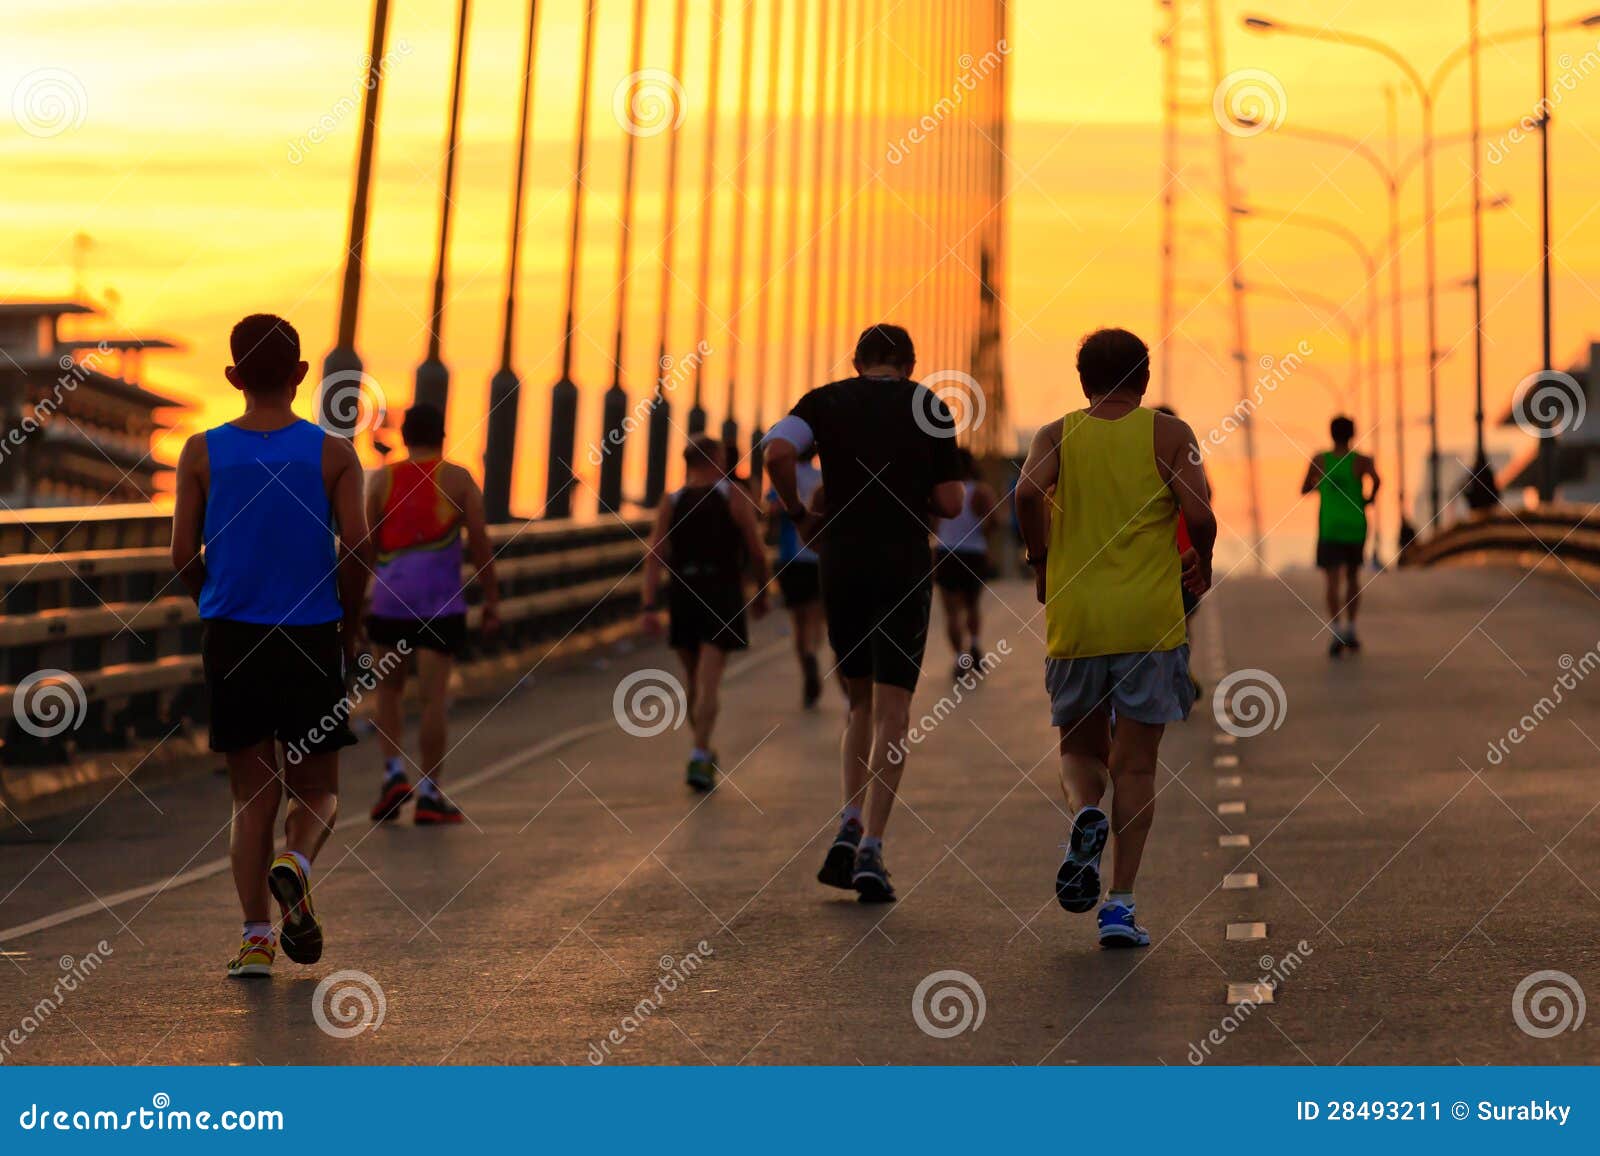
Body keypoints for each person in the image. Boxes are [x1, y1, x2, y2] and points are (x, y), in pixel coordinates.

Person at [170, 313, 372, 979]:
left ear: (232, 377)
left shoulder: (200, 452)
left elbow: (180, 555)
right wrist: (349, 622)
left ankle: (257, 937)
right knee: (317, 791)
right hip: (310, 635)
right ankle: (299, 860)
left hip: (233, 637)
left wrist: (215, 599)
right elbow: (359, 546)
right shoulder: (333, 453)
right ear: (301, 375)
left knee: (250, 797)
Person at [1014, 328, 1215, 948]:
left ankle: (1084, 814)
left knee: (1079, 751)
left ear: (1084, 381)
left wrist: (1040, 558)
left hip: (1077, 621)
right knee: (1136, 767)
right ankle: (1120, 905)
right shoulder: (1170, 435)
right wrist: (1200, 562)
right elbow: (1201, 513)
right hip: (1150, 624)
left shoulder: (1056, 436)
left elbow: (1024, 492)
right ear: (1144, 378)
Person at [764, 324, 964, 903]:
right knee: (894, 710)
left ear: (856, 361)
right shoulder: (928, 404)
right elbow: (951, 502)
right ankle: (873, 844)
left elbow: (776, 452)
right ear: (909, 361)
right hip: (902, 561)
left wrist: (798, 510)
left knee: (858, 700)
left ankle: (849, 817)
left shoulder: (823, 401)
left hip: (841, 561)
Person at [365, 403, 500, 826]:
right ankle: (429, 793)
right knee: (431, 699)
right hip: (439, 607)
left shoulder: (381, 480)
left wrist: (354, 610)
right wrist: (492, 598)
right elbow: (479, 542)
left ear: (405, 438)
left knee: (387, 692)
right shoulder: (458, 479)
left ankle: (392, 775)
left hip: (387, 602)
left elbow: (365, 549)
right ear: (443, 436)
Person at [641, 435, 770, 791]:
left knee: (693, 681)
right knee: (710, 680)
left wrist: (649, 605)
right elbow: (756, 550)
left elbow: (654, 554)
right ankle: (699, 754)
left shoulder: (673, 500)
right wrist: (762, 591)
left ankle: (701, 749)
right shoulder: (734, 497)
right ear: (716, 460)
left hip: (682, 592)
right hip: (721, 592)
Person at [1301, 415, 1380, 656]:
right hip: (1356, 525)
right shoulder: (1362, 461)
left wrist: (1325, 486)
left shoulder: (1320, 460)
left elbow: (1304, 488)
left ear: (1331, 433)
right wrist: (1368, 499)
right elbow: (1378, 480)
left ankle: (1336, 630)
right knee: (1354, 577)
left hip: (1330, 528)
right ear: (1353, 434)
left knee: (1332, 581)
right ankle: (1352, 629)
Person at [765, 448, 825, 706]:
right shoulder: (823, 479)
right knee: (816, 616)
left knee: (797, 621)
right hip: (819, 556)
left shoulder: (783, 478)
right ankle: (813, 651)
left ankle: (807, 662)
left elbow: (772, 512)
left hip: (790, 556)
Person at [932, 448, 998, 680]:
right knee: (972, 606)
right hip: (974, 553)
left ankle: (961, 657)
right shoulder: (981, 491)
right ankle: (976, 643)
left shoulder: (940, 491)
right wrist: (984, 540)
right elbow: (993, 520)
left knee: (951, 612)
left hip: (947, 552)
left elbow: (930, 522)